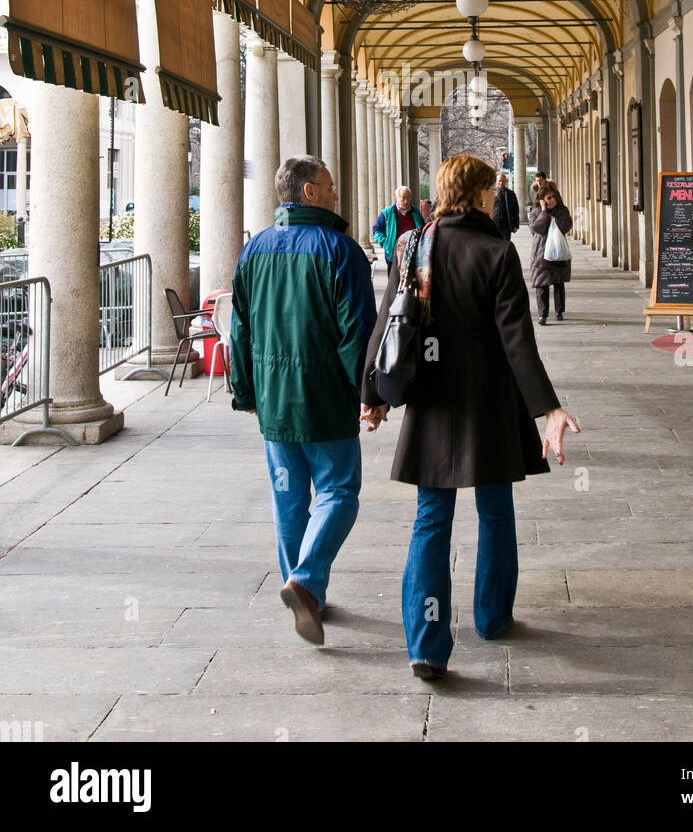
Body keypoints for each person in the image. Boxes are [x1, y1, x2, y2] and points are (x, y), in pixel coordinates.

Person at [360, 153, 580, 681]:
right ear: (479, 194)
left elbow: (388, 320)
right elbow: (517, 342)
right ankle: (492, 616)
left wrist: (373, 391)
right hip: (488, 405)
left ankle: (426, 646)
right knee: (496, 511)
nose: (492, 197)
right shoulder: (497, 251)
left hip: (433, 402)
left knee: (431, 521)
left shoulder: (415, 244)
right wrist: (547, 407)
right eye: (490, 191)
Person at [229, 155, 376, 646]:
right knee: (338, 492)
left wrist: (245, 390)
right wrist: (369, 392)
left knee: (289, 501)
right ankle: (305, 583)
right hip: (327, 399)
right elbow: (358, 332)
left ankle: (306, 591)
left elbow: (240, 329)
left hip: (274, 402)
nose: (336, 194)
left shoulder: (253, 252)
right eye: (329, 186)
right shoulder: (341, 249)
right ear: (310, 192)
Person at [528, 185, 573, 325]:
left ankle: (559, 311)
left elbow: (566, 226)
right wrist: (544, 212)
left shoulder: (562, 210)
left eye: (553, 197)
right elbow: (536, 228)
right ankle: (543, 314)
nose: (552, 200)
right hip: (541, 253)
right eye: (548, 198)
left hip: (558, 250)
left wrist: (554, 219)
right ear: (542, 200)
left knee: (558, 282)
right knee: (542, 284)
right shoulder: (536, 211)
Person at [372, 185, 423, 270]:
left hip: (413, 253)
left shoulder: (416, 212)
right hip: (393, 253)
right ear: (396, 197)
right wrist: (385, 243)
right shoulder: (386, 213)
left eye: (408, 198)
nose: (406, 201)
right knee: (394, 281)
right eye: (403, 198)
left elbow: (423, 227)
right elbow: (376, 230)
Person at [491, 169, 520, 242]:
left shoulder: (511, 194)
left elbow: (515, 210)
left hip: (506, 224)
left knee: (506, 244)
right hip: (494, 223)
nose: (501, 183)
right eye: (499, 181)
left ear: (505, 181)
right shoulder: (491, 193)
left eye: (503, 181)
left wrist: (516, 225)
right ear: (496, 181)